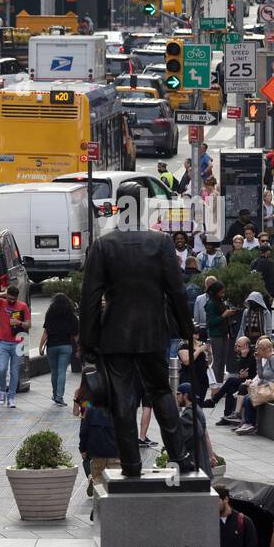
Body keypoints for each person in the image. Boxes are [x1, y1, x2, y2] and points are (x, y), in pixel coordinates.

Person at [80, 184, 195, 477]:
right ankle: (180, 458)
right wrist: (186, 329)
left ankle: (131, 465)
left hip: (115, 334)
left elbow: (90, 299)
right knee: (161, 393)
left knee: (123, 399)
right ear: (143, 207)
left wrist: (89, 341)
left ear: (119, 206)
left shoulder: (104, 245)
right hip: (152, 332)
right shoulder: (160, 242)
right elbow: (177, 292)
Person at [0, 285, 31, 407]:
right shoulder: (1, 303)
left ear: (17, 297)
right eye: (10, 298)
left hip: (18, 343)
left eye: (14, 299)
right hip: (3, 343)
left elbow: (28, 325)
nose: (11, 301)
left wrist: (19, 323)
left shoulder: (22, 306)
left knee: (14, 371)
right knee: (1, 369)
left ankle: (11, 397)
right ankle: (2, 390)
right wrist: (4, 293)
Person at [39, 293, 78, 406]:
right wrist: (79, 348)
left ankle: (55, 394)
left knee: (54, 372)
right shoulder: (71, 315)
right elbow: (76, 335)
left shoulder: (50, 314)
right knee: (62, 372)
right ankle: (59, 397)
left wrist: (40, 346)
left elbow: (45, 332)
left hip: (51, 346)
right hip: (66, 346)